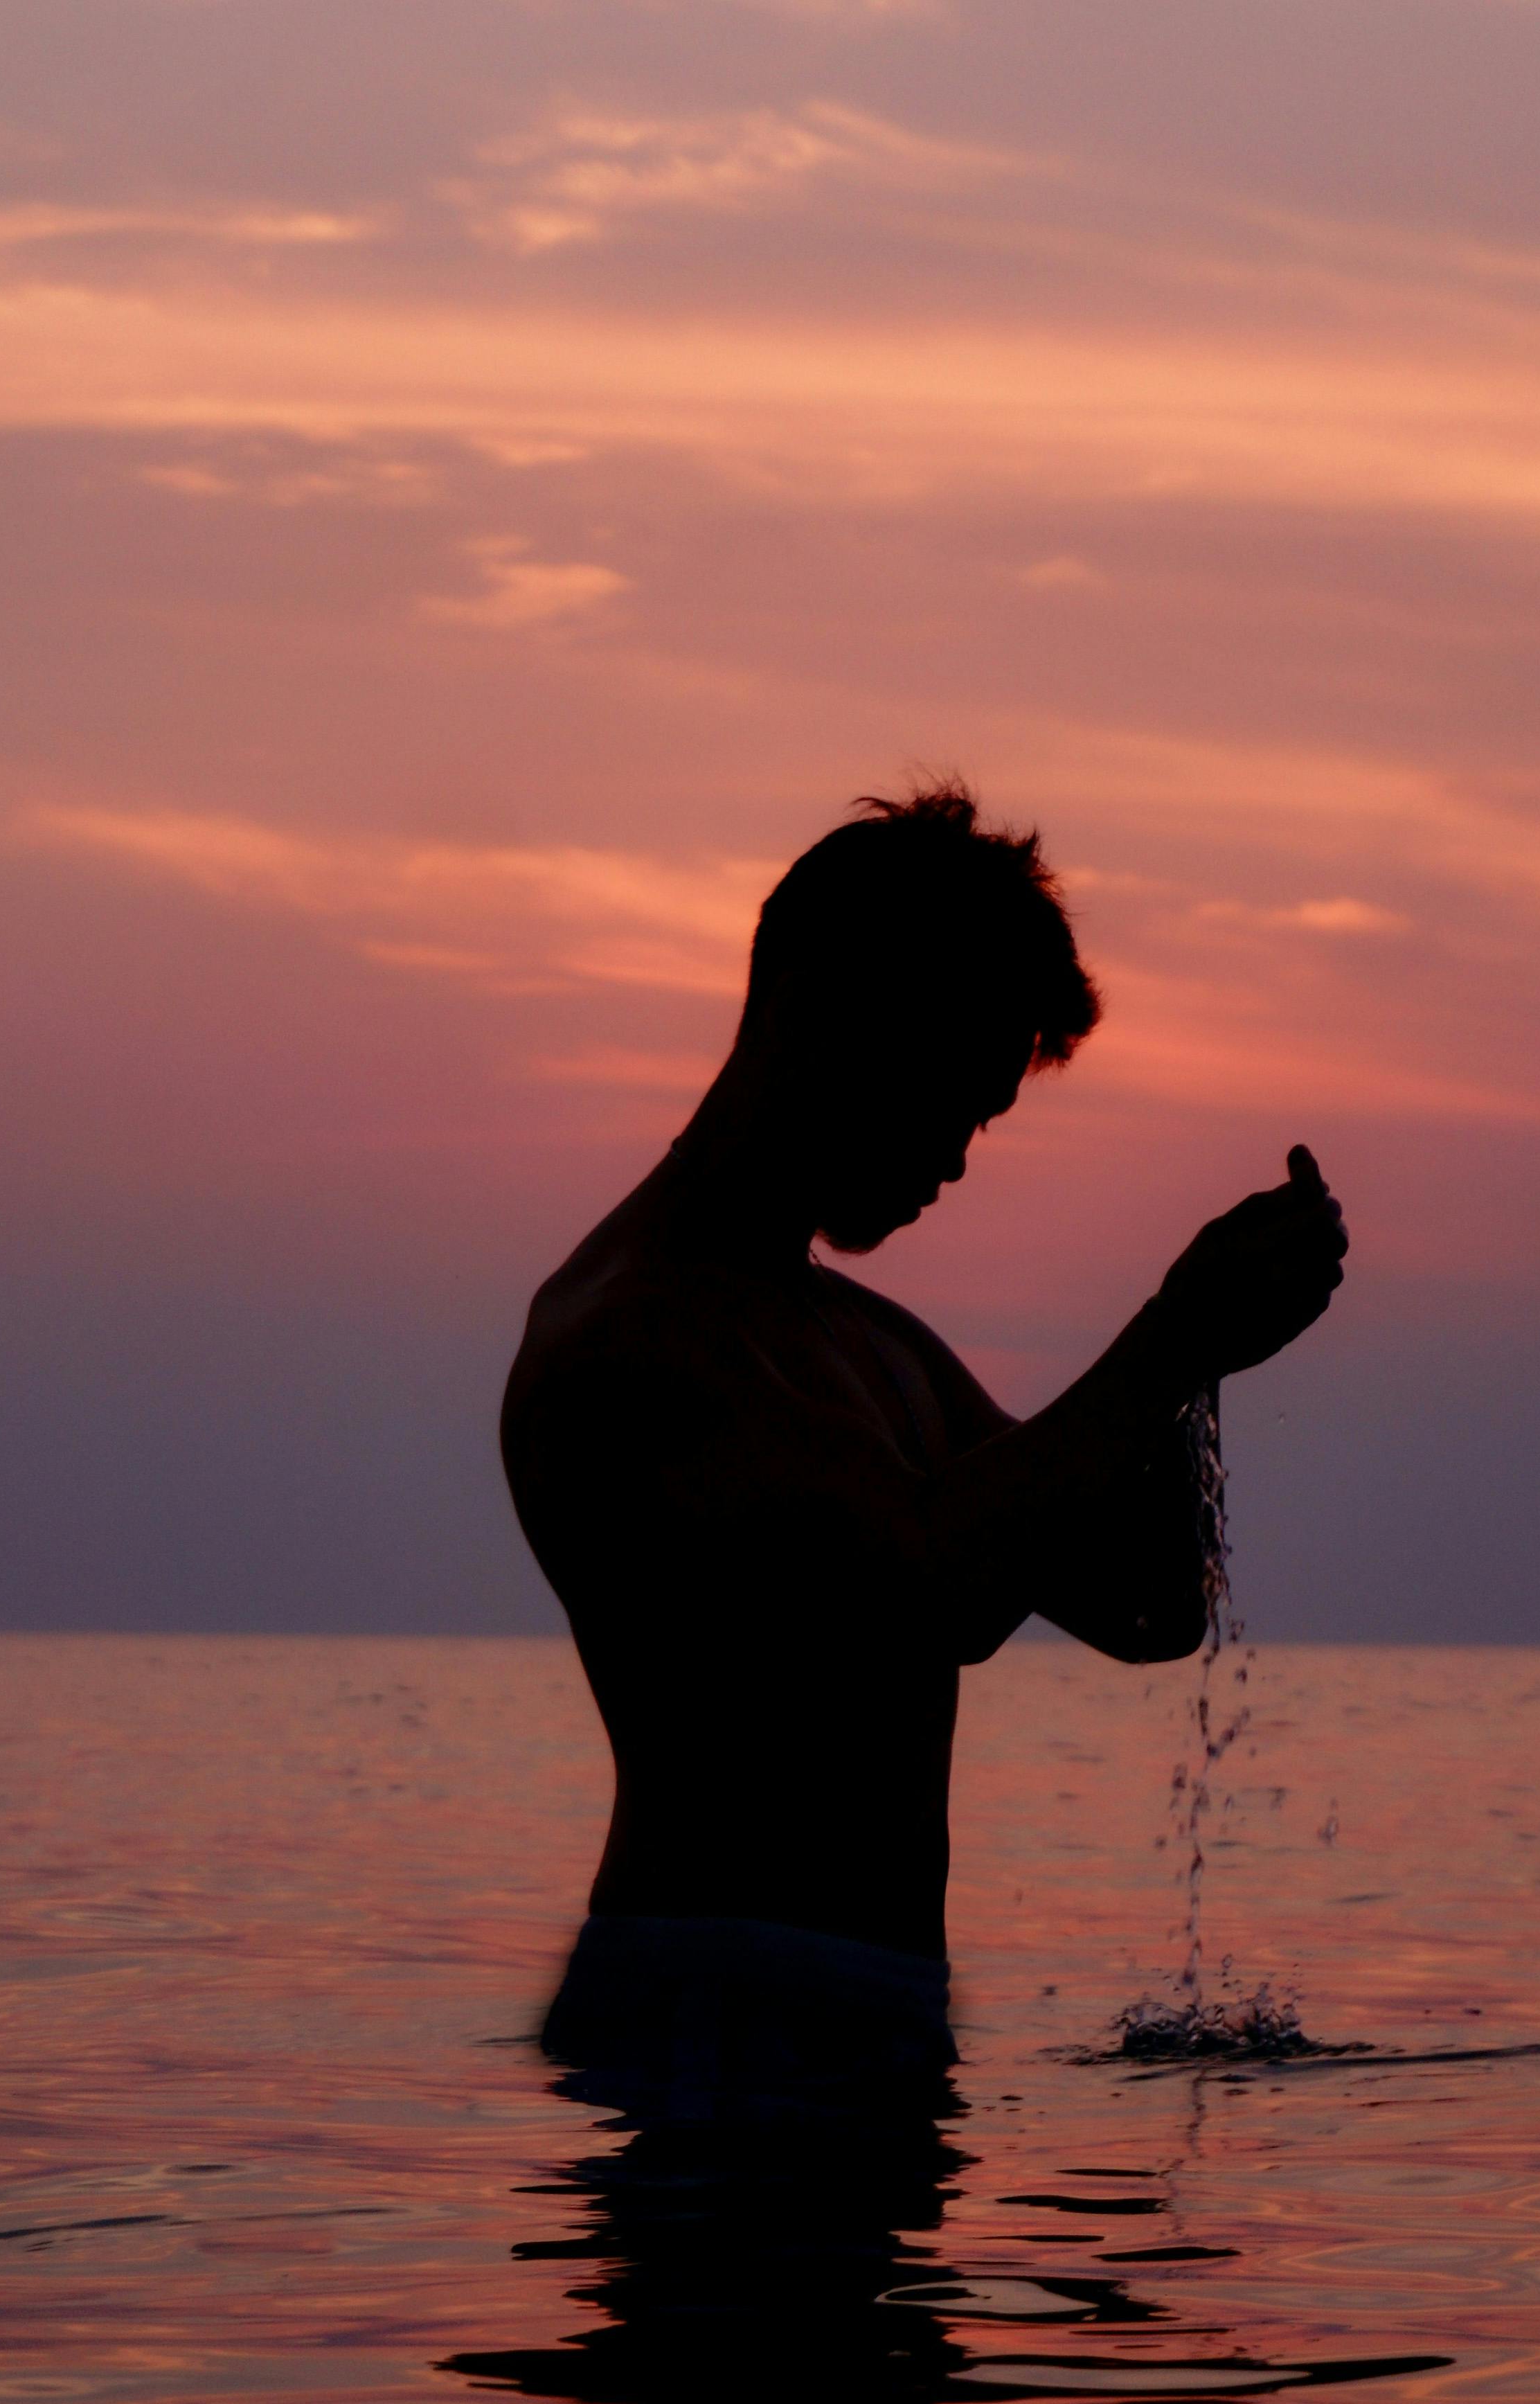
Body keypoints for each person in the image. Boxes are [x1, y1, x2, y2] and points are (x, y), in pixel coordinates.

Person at [501, 783, 1346, 2096]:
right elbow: (928, 1585)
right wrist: (1173, 1337)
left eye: (983, 1115)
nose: (955, 1157)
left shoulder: (868, 1345)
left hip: (875, 2023)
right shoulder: (634, 1337)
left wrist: (1209, 1356)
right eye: (946, 1095)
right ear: (819, 1021)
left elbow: (1144, 1602)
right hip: (705, 2016)